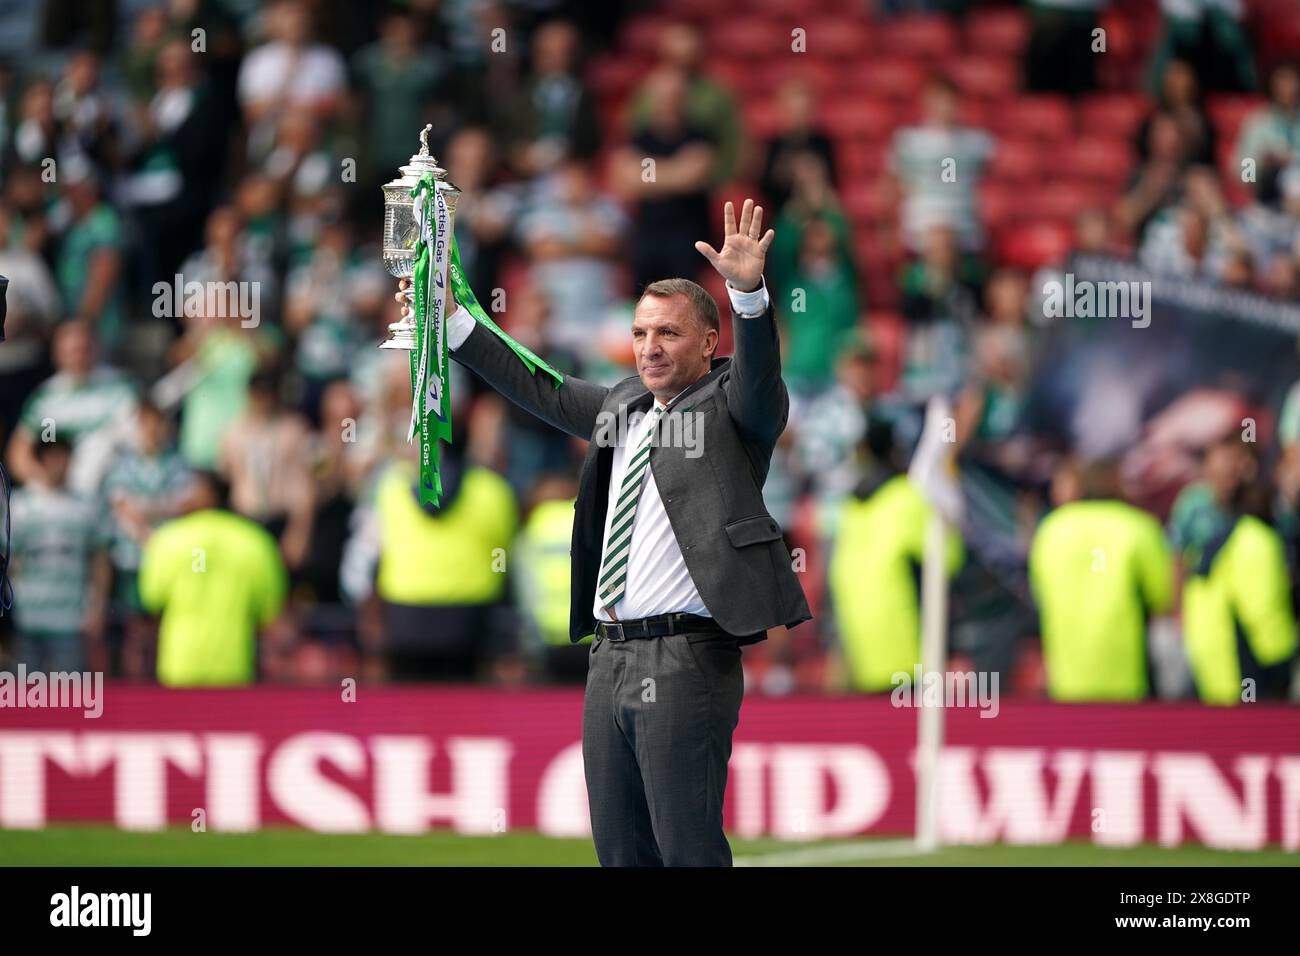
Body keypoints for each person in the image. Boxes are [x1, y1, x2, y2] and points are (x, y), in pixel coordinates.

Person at [397, 198, 811, 866]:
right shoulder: (623, 405)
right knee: (621, 853)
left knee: (688, 851)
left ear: (709, 343)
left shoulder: (735, 406)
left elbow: (761, 376)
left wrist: (748, 294)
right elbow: (544, 389)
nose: (650, 346)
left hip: (687, 656)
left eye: (669, 334)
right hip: (609, 656)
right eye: (642, 332)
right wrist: (450, 324)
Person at [828, 421, 963, 693]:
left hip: (863, 652)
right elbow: (950, 559)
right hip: (909, 654)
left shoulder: (849, 509)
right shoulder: (907, 497)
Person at [1028, 458, 1174, 701]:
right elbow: (1162, 596)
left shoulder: (1051, 530)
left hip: (1066, 679)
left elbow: (1039, 594)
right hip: (1128, 678)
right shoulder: (1138, 527)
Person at [138, 470, 287, 687]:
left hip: (179, 664)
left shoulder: (167, 541)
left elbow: (151, 598)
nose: (180, 496)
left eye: (187, 489)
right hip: (235, 665)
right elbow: (269, 608)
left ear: (207, 494)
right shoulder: (255, 541)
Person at [6, 438, 110, 674]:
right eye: (52, 457)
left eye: (63, 457)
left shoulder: (87, 506)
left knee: (69, 699)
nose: (58, 464)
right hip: (28, 619)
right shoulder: (19, 506)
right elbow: (8, 558)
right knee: (27, 697)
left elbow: (100, 558)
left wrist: (97, 606)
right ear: (40, 461)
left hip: (71, 622)